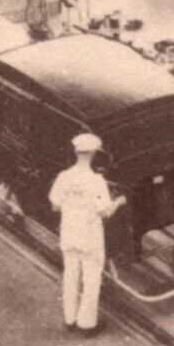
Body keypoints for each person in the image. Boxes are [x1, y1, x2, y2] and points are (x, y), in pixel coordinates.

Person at [48, 133, 126, 335]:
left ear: (76, 151)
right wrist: (120, 201)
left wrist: (72, 205)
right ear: (93, 153)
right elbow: (104, 211)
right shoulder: (96, 181)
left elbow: (55, 206)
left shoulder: (64, 177)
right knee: (91, 280)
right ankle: (87, 324)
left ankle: (70, 319)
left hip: (69, 234)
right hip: (90, 237)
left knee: (70, 275)